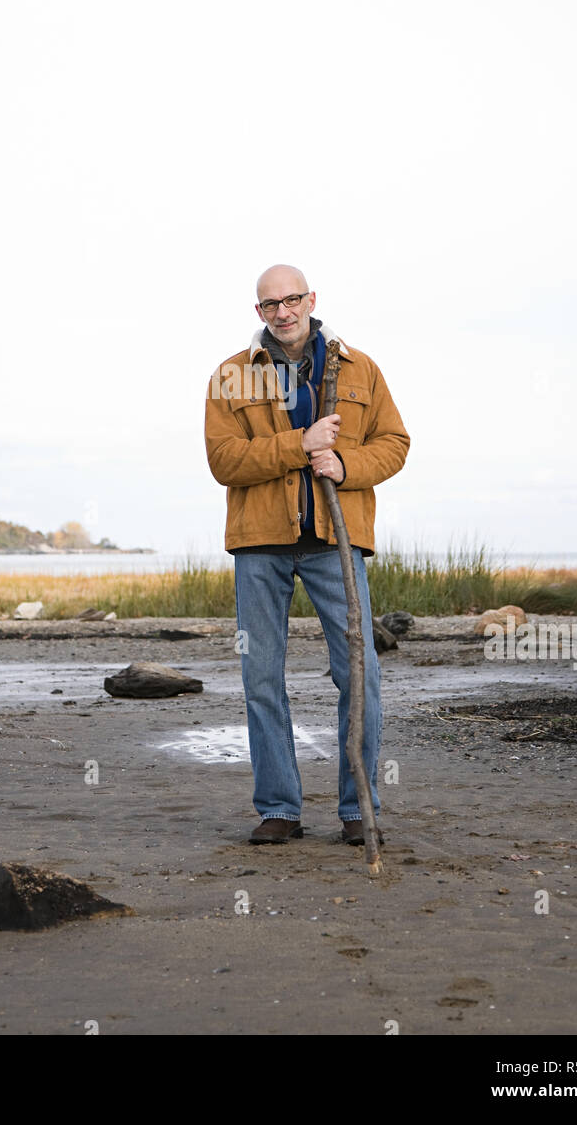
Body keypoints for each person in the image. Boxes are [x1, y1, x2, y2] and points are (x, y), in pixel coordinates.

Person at [204, 264, 410, 844]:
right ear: (259, 313)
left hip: (334, 543)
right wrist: (301, 444)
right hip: (259, 544)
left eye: (291, 299)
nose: (283, 312)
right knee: (261, 678)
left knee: (359, 674)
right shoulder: (230, 377)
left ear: (311, 299)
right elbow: (224, 460)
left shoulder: (360, 368)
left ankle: (356, 811)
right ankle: (279, 809)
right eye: (270, 304)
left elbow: (394, 444)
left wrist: (345, 466)